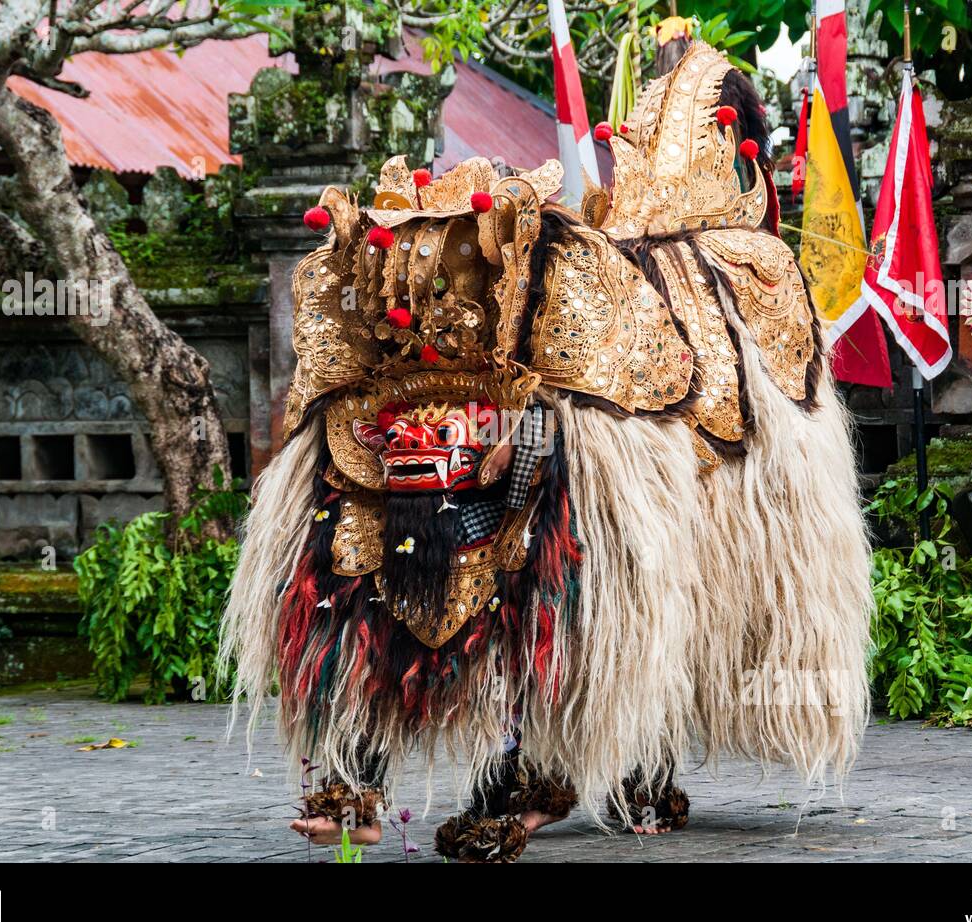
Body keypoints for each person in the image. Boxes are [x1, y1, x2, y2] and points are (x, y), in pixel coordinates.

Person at [220, 40, 871, 863]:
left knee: (607, 570)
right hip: (461, 420)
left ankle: (574, 771)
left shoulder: (729, 282)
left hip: (580, 415)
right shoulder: (406, 346)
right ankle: (358, 773)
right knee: (372, 562)